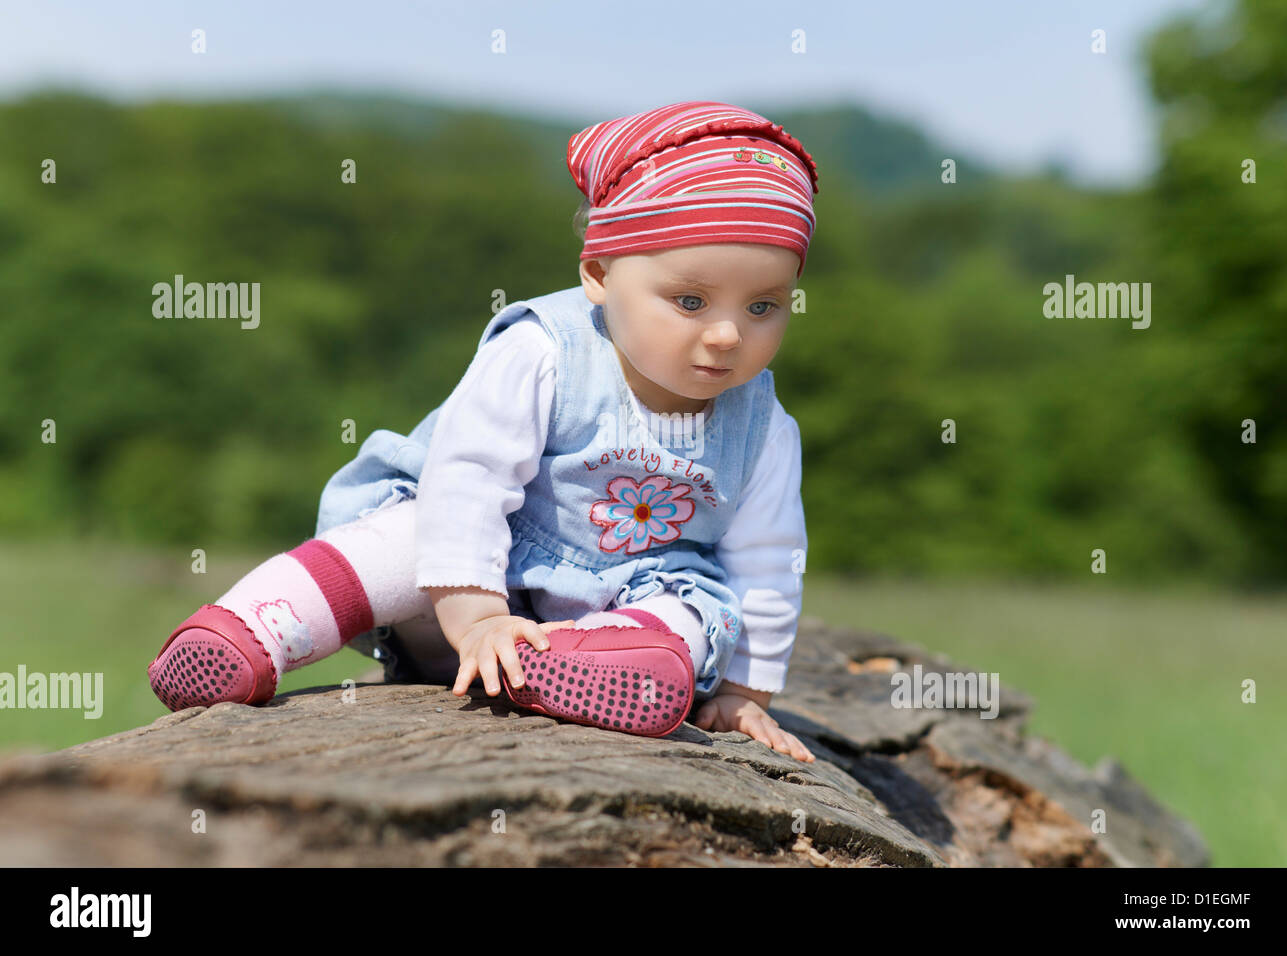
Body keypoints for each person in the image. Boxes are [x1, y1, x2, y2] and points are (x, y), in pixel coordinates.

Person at [147, 100, 817, 763]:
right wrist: (478, 615)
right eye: (691, 301)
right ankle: (250, 630)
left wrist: (741, 690)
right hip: (464, 585)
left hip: (612, 609)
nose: (728, 334)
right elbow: (469, 479)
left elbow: (767, 561)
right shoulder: (543, 353)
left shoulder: (762, 425)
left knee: (690, 609)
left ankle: (613, 666)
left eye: (764, 306)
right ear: (599, 274)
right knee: (412, 530)